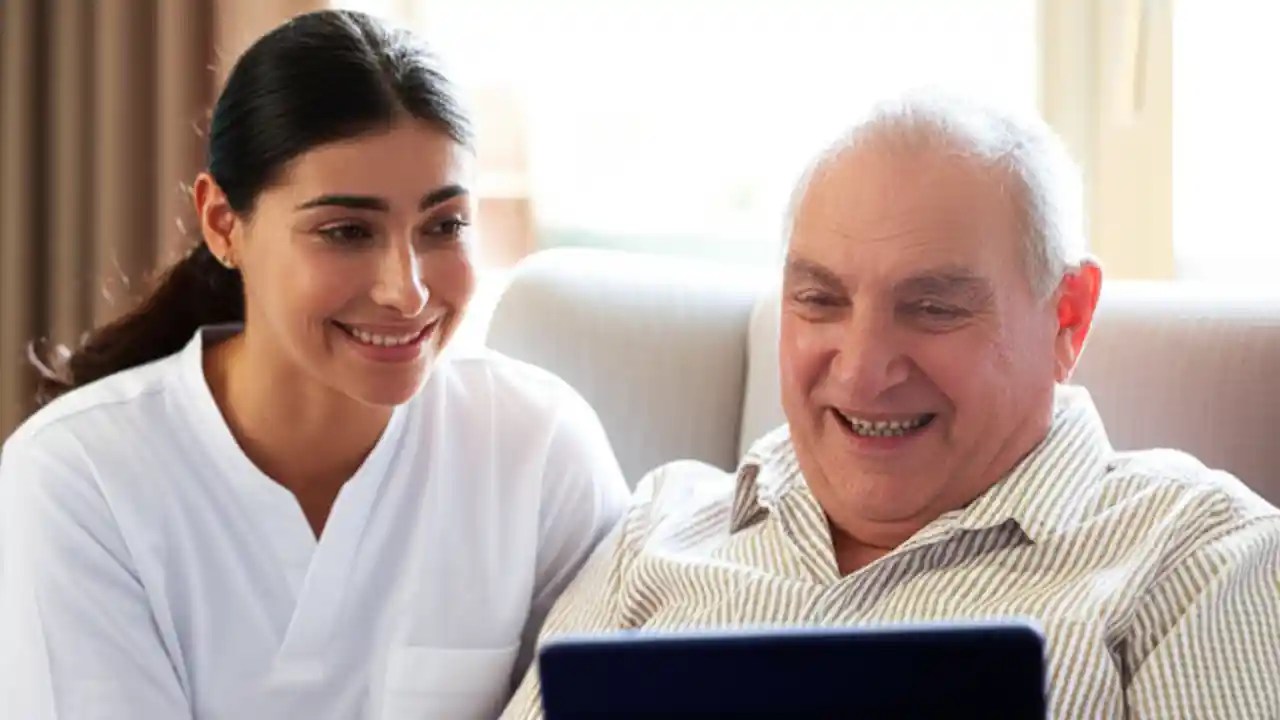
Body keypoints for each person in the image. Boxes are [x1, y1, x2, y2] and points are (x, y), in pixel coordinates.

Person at [501, 95, 1280, 719]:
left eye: (935, 308)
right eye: (818, 300)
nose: (865, 370)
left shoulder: (1203, 560)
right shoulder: (657, 529)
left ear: (1066, 318)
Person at [0, 10, 628, 719]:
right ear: (222, 224)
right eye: (346, 231)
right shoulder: (75, 480)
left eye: (444, 226)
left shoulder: (539, 448)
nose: (407, 289)